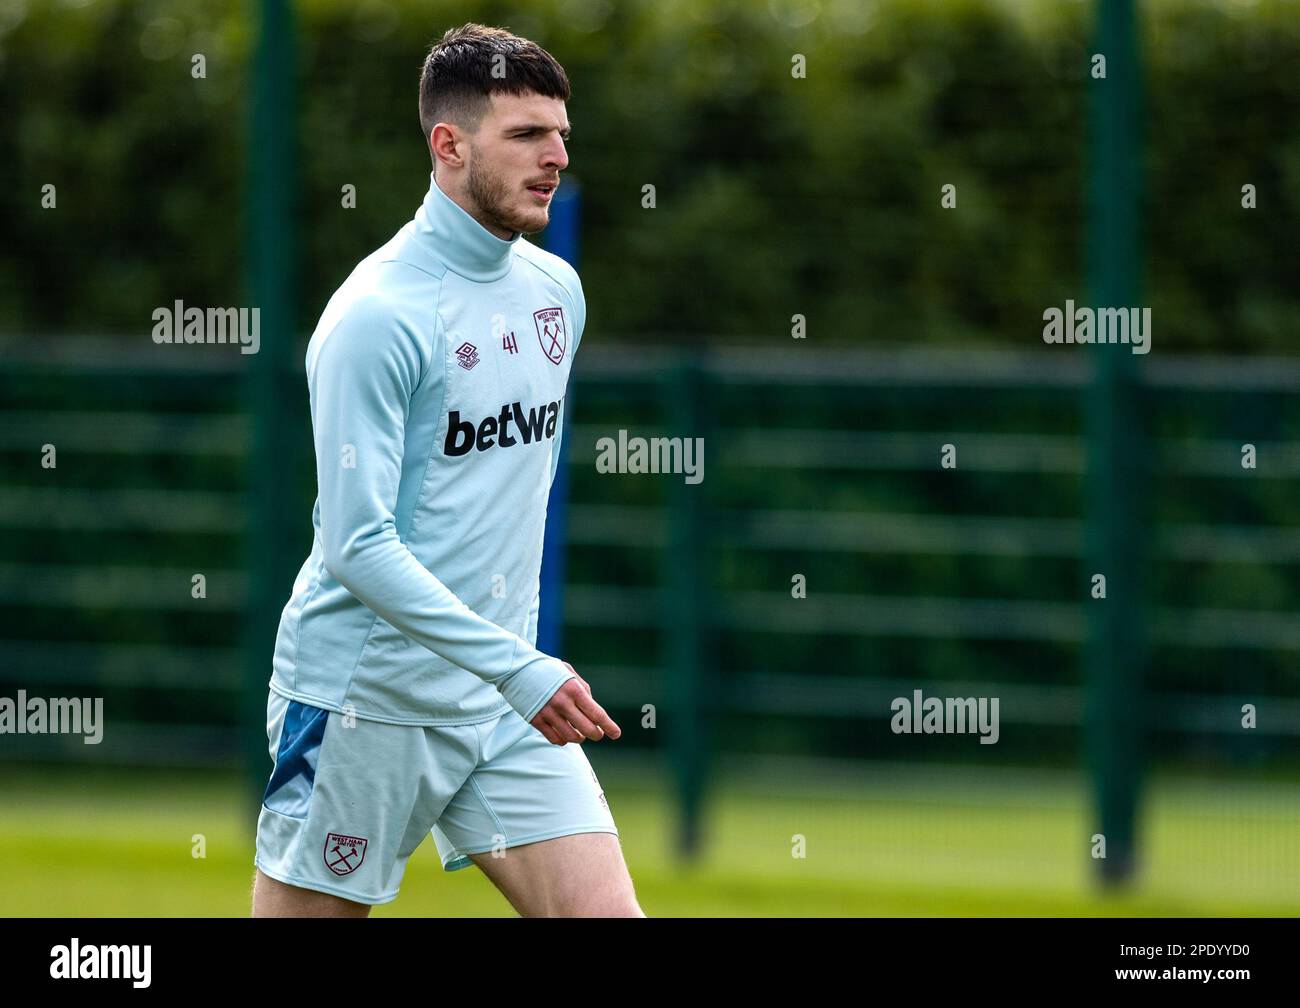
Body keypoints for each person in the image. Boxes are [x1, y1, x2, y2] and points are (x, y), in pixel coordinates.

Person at [251, 22, 643, 918]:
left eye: (561, 135)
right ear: (448, 144)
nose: (554, 157)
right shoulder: (376, 316)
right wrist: (518, 667)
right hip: (366, 703)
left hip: (504, 705)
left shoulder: (556, 292)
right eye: (526, 136)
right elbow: (356, 545)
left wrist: (510, 674)